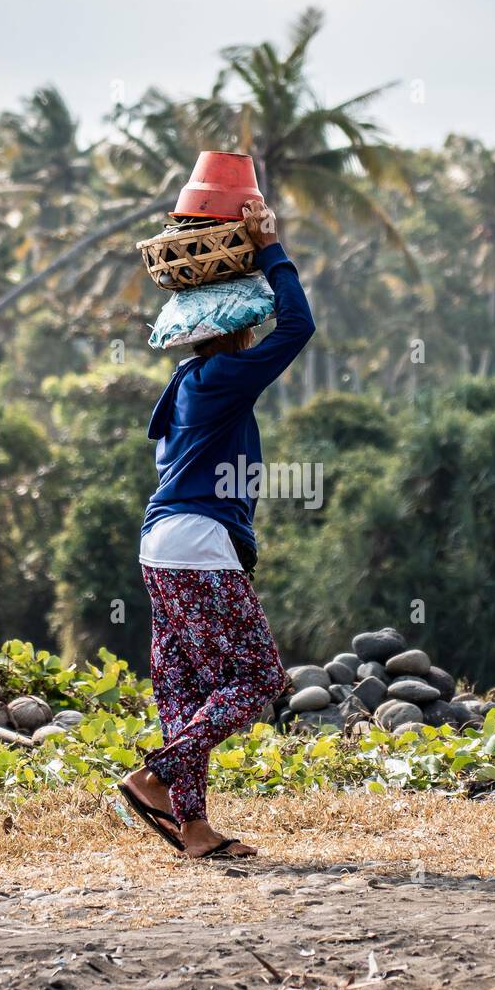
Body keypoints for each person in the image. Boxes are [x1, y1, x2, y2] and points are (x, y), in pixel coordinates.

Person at [119, 199, 315, 859]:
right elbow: (299, 327)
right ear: (234, 332)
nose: (258, 339)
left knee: (185, 690)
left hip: (161, 546)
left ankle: (195, 829)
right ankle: (155, 773)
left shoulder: (185, 383)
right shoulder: (226, 376)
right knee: (260, 678)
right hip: (198, 545)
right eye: (249, 329)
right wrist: (270, 249)